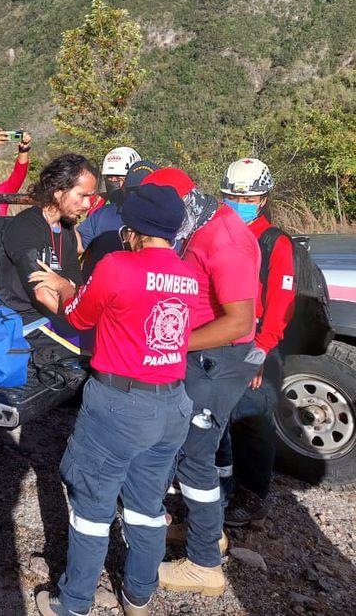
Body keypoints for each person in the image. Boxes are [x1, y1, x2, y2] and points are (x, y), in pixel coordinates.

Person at [29, 184, 197, 616]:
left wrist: (57, 292)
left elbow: (79, 316)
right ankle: (139, 595)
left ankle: (74, 602)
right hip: (172, 404)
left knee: (91, 505)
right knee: (146, 506)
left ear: (133, 231)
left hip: (119, 404)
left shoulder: (117, 265)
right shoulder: (189, 273)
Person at [140, 168, 261, 596]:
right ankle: (205, 530)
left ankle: (204, 563)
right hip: (205, 355)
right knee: (189, 451)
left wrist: (174, 343)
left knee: (195, 456)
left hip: (217, 360)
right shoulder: (200, 224)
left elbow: (240, 322)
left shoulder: (224, 241)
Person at [215, 158, 294, 526]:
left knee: (251, 416)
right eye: (232, 197)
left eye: (248, 198)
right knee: (219, 415)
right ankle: (220, 486)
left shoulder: (274, 242)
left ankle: (253, 495)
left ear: (263, 199)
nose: (239, 203)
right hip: (221, 336)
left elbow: (280, 302)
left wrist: (261, 349)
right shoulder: (218, 231)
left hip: (257, 340)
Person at [0, 153, 97, 361]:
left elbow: (76, 284)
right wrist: (81, 321)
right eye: (82, 195)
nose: (88, 204)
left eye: (90, 197)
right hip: (27, 322)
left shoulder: (66, 229)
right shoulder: (26, 226)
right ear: (58, 191)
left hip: (56, 317)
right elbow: (43, 293)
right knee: (97, 353)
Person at [79, 159, 159, 265]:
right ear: (124, 188)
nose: (139, 196)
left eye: (147, 191)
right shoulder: (103, 215)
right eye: (133, 190)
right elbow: (76, 245)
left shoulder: (167, 223)